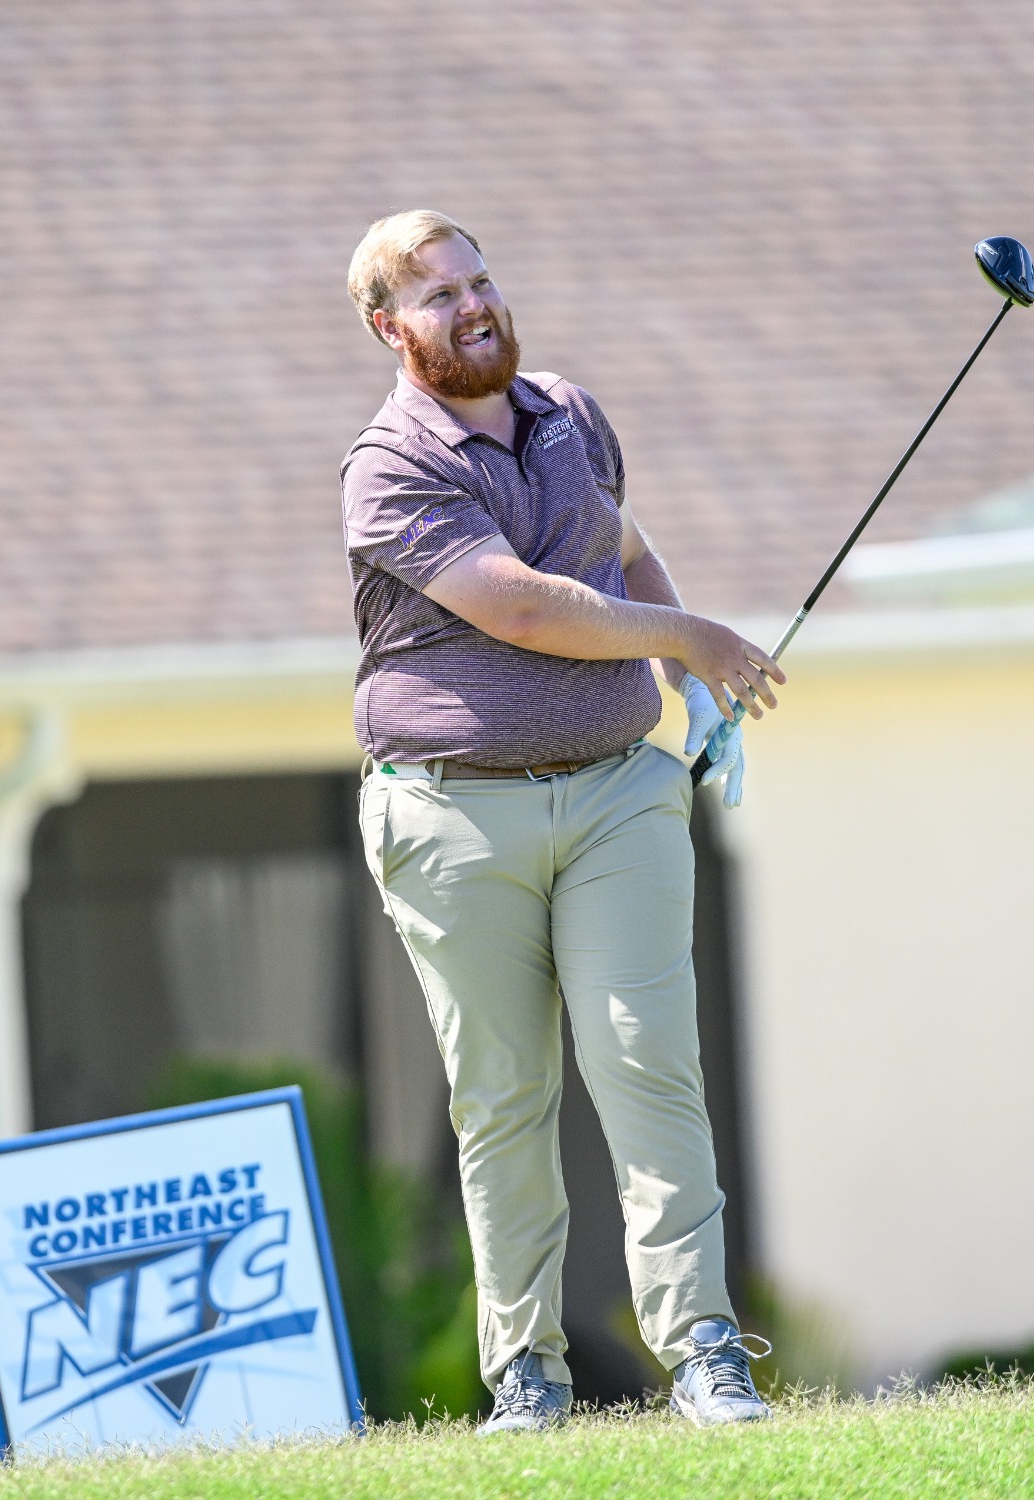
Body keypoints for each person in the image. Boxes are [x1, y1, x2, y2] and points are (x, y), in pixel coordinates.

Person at [339, 210, 784, 1432]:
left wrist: (693, 690)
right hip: (450, 817)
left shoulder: (569, 415)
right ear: (389, 328)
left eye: (479, 280)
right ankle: (526, 1376)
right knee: (504, 1095)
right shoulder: (388, 468)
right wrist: (689, 638)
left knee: (648, 1061)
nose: (471, 305)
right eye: (436, 296)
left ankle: (702, 1352)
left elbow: (624, 550)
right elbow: (522, 608)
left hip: (610, 795)